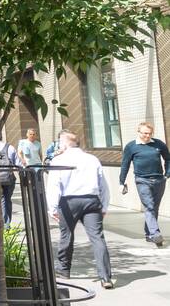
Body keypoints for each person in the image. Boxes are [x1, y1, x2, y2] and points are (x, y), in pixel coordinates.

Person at [47, 131, 114, 289]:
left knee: (67, 235)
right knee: (97, 237)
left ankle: (64, 270)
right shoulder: (92, 159)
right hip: (91, 200)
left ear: (64, 144)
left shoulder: (58, 160)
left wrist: (52, 207)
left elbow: (54, 185)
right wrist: (104, 205)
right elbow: (102, 185)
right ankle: (105, 277)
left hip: (69, 201)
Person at [119, 120, 169, 248]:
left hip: (159, 180)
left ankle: (149, 234)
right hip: (142, 180)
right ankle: (156, 234)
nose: (147, 136)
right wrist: (121, 181)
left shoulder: (158, 144)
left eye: (150, 133)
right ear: (139, 132)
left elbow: (168, 159)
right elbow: (125, 164)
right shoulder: (131, 146)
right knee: (149, 206)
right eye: (145, 133)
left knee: (154, 207)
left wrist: (167, 174)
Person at [0, 138, 21, 225]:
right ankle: (7, 223)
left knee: (0, 199)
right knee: (7, 199)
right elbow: (18, 164)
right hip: (8, 178)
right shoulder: (10, 148)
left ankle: (3, 223)